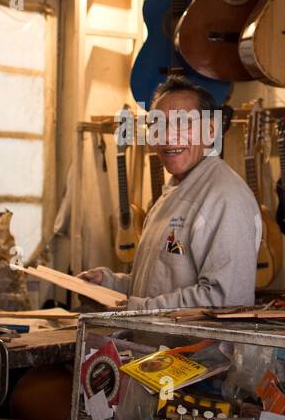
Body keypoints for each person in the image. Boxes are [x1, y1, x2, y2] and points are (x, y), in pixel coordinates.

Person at [79, 77, 259, 310]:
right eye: (157, 126)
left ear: (210, 130)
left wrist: (133, 309)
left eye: (182, 124)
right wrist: (108, 284)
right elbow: (158, 285)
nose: (167, 137)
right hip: (156, 345)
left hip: (199, 348)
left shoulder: (225, 198)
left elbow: (224, 301)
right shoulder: (172, 195)